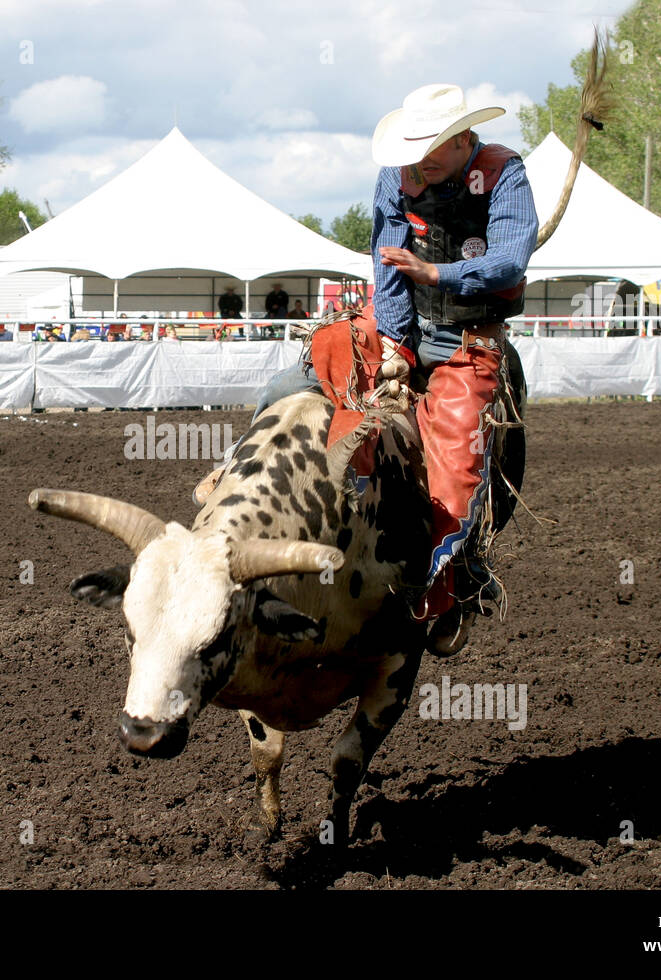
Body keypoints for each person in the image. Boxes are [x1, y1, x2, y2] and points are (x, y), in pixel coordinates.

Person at [196, 83, 538, 656]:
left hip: (468, 332)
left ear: (461, 140)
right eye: (413, 150)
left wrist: (439, 275)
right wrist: (399, 345)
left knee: (461, 462)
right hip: (399, 318)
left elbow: (511, 255)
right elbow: (387, 261)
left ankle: (459, 576)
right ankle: (235, 473)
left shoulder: (504, 173)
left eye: (430, 150)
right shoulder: (397, 176)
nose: (418, 164)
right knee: (292, 384)